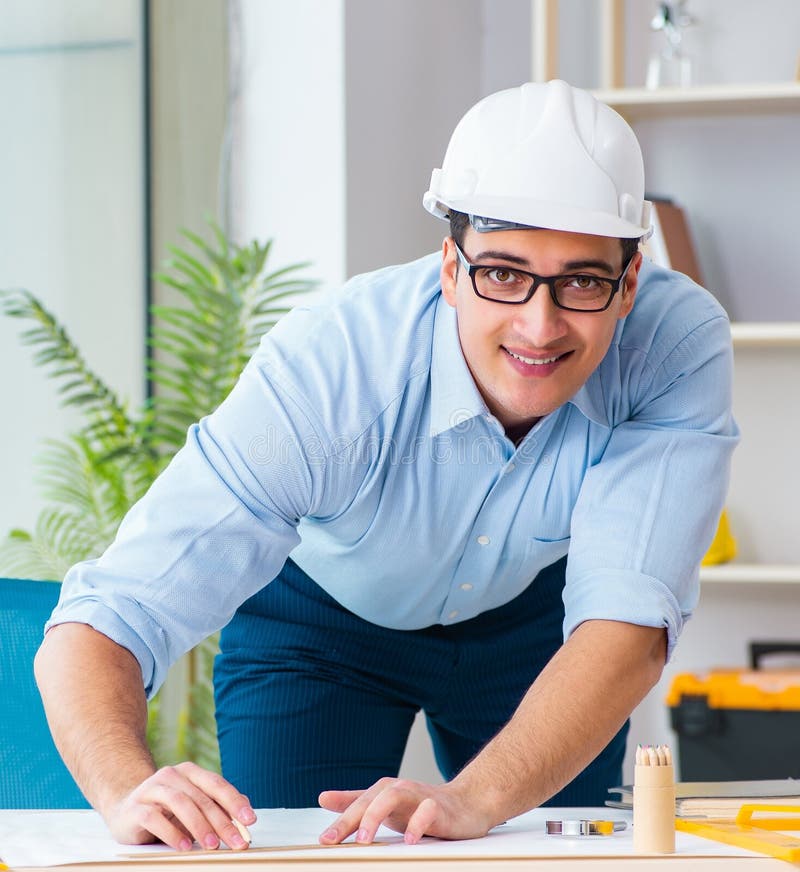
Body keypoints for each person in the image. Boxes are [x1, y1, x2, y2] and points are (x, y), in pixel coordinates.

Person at [35, 79, 738, 852]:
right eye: (503, 273)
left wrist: (475, 799)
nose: (540, 327)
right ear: (449, 267)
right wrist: (126, 785)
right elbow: (112, 612)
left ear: (629, 283)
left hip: (540, 626)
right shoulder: (331, 373)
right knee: (292, 859)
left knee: (558, 857)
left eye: (582, 282)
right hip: (322, 626)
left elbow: (629, 623)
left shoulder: (673, 346)